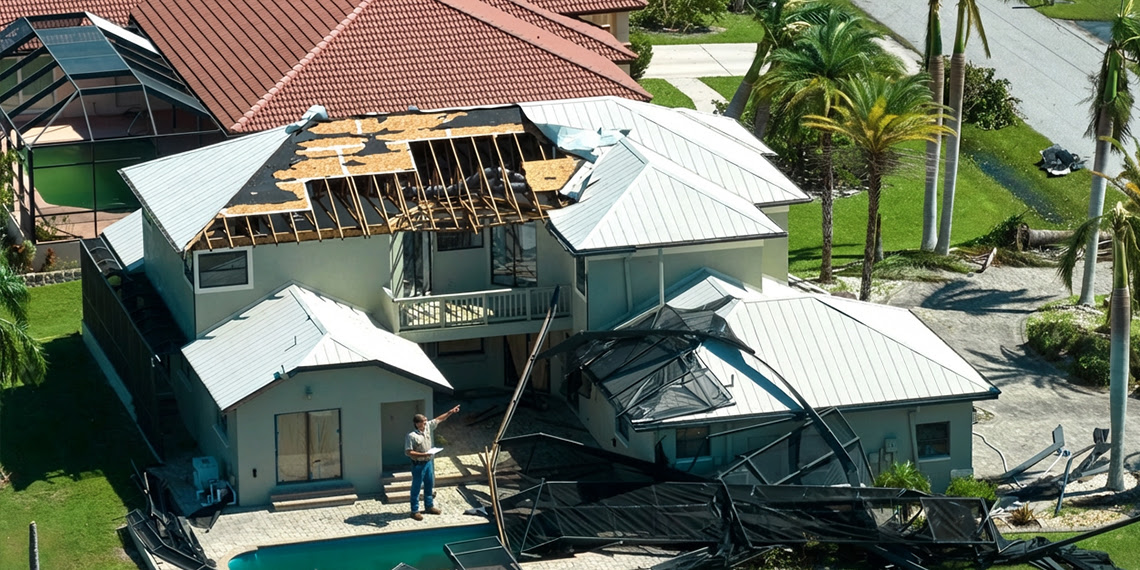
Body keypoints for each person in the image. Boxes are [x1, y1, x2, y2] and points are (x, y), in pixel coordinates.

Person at [405, 405, 460, 520]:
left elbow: (439, 419)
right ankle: (414, 511)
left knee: (429, 484)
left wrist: (450, 412)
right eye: (423, 422)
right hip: (418, 465)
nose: (426, 423)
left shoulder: (428, 427)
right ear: (417, 423)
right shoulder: (411, 436)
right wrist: (424, 454)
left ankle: (429, 506)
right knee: (416, 487)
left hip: (428, 463)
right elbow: (409, 452)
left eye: (426, 421)